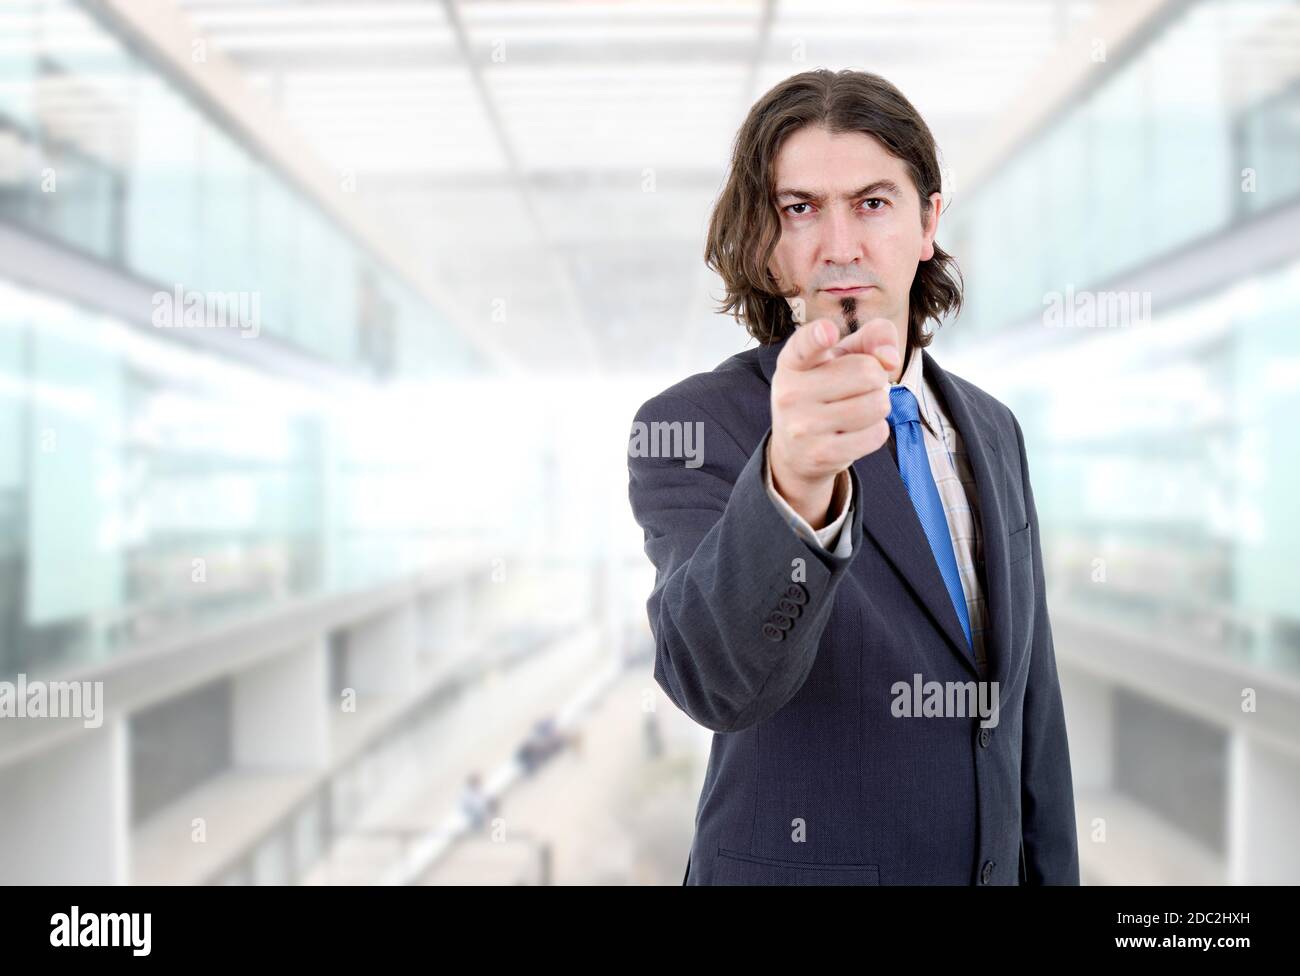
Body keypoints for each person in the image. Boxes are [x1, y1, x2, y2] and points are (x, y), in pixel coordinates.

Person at [627, 69, 1078, 885]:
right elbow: (713, 680)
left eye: (872, 203)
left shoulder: (995, 431)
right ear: (768, 244)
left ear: (928, 222)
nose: (839, 245)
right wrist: (792, 484)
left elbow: (1030, 708)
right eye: (800, 209)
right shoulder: (693, 429)